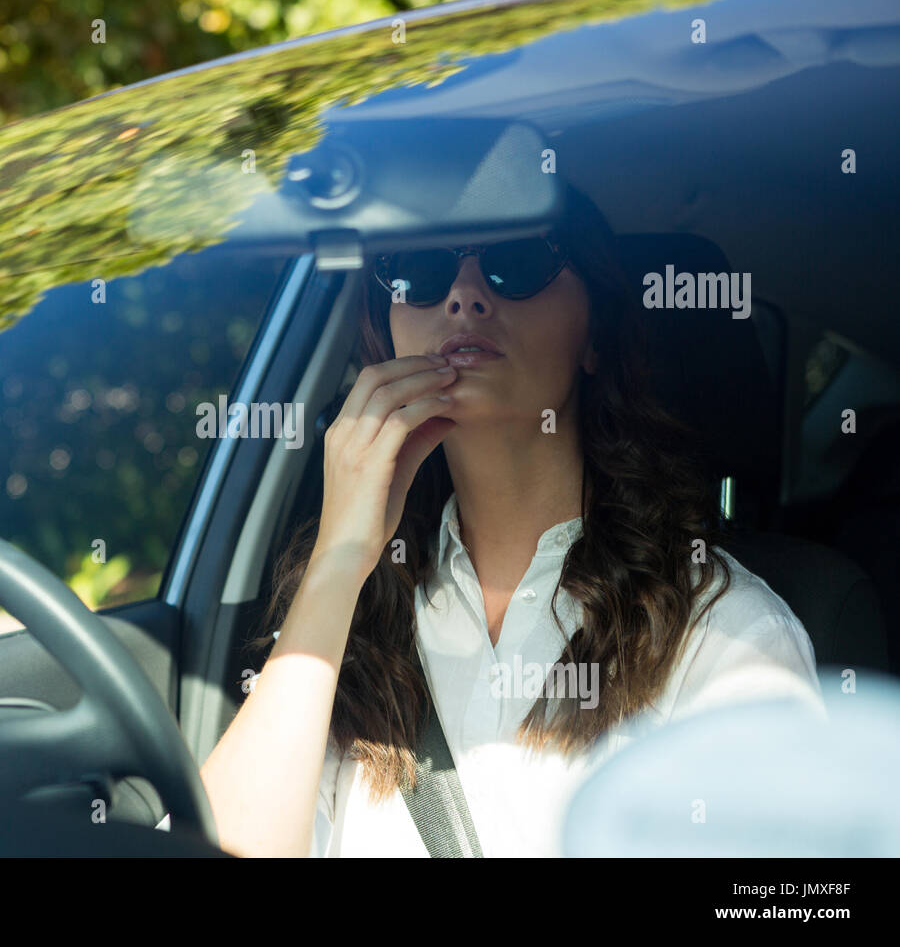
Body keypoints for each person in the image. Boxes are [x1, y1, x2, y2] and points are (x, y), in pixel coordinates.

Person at [198, 185, 822, 857]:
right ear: (388, 331)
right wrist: (339, 560)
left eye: (517, 262)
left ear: (595, 337)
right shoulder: (348, 617)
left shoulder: (726, 635)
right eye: (421, 269)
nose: (463, 295)